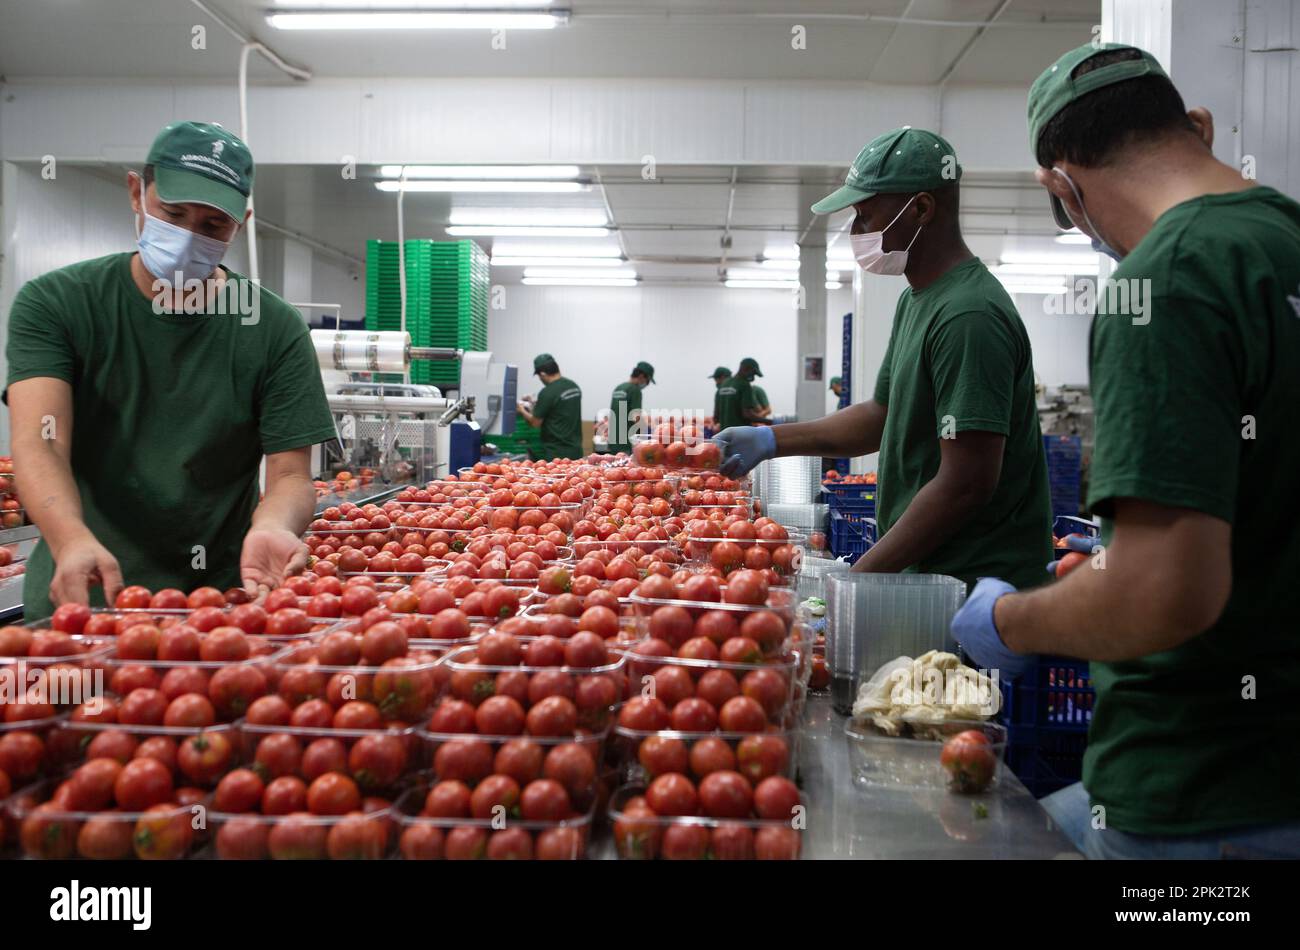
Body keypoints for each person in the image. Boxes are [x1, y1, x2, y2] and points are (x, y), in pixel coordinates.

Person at [953, 43, 1300, 859]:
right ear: (1199, 128)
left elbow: (1165, 591)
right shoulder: (1282, 238)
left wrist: (1012, 620)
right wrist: (1116, 553)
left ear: (1061, 187)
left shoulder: (1166, 281)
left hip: (1203, 791)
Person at [4, 121, 337, 619]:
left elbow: (290, 474)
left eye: (212, 227)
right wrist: (70, 539)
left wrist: (273, 526)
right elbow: (41, 441)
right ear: (137, 192)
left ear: (240, 223)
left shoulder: (272, 327)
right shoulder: (57, 303)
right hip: (81, 602)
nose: (186, 239)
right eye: (173, 214)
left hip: (218, 612)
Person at [712, 127, 1052, 591]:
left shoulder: (969, 315)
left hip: (977, 589)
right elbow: (879, 415)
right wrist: (771, 440)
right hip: (929, 574)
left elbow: (966, 484)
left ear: (921, 209)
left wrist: (857, 580)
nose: (856, 232)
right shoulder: (918, 300)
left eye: (866, 216)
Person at [517, 353, 584, 460]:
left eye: (539, 376)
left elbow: (535, 423)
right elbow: (560, 408)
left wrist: (522, 410)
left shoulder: (547, 392)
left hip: (557, 453)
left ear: (543, 374)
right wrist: (537, 403)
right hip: (576, 449)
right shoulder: (573, 387)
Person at [607, 360, 654, 454]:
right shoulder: (635, 390)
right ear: (641, 376)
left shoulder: (619, 388)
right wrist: (648, 433)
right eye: (648, 381)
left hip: (613, 440)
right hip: (626, 442)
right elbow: (636, 416)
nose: (647, 384)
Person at [714, 357, 765, 430]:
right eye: (753, 373)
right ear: (746, 369)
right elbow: (747, 414)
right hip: (740, 435)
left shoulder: (723, 384)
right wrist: (771, 421)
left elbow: (716, 416)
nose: (753, 377)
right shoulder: (744, 385)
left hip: (724, 434)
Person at [708, 366, 731, 431]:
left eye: (716, 379)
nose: (716, 382)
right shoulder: (738, 389)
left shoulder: (720, 391)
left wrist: (716, 423)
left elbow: (716, 413)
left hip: (724, 429)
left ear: (722, 377)